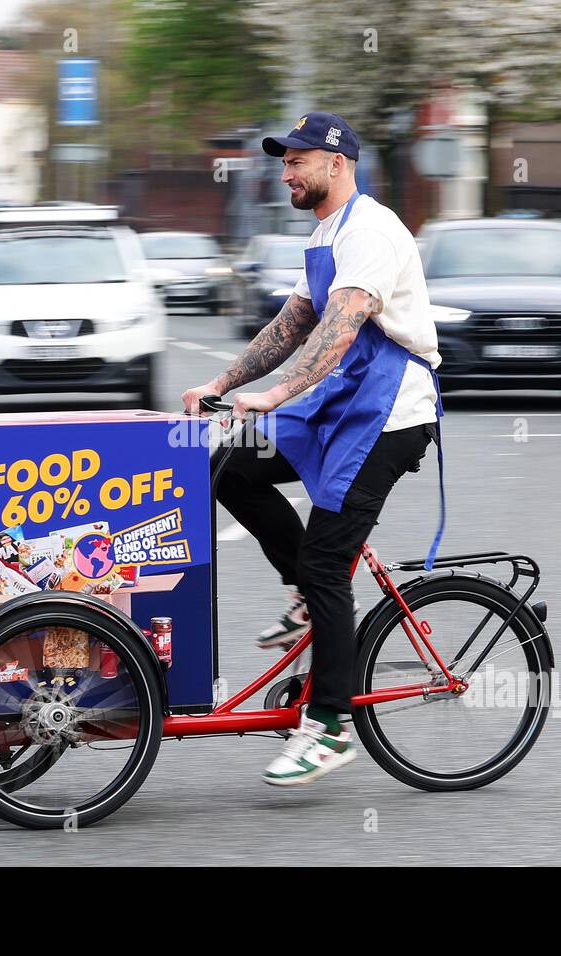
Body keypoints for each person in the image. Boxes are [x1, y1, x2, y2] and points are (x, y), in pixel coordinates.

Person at [182, 112, 444, 787]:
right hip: (339, 403)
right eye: (284, 160)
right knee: (231, 468)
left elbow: (344, 323)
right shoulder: (328, 231)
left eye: (298, 160)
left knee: (330, 564)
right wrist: (224, 383)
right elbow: (293, 323)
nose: (286, 172)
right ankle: (306, 589)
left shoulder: (372, 232)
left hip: (387, 412)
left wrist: (278, 395)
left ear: (338, 163)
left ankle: (328, 726)